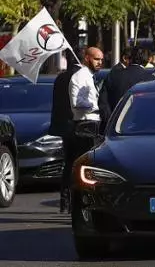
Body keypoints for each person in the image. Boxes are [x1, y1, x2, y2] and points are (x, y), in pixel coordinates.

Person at [66, 47, 104, 206]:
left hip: (92, 124)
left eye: (101, 60)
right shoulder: (80, 76)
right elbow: (76, 103)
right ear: (87, 58)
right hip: (85, 124)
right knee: (86, 165)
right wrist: (95, 106)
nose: (100, 63)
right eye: (96, 59)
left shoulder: (89, 76)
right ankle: (81, 201)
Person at [49, 51, 80, 214]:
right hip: (78, 125)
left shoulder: (60, 78)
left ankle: (64, 199)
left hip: (64, 127)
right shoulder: (80, 77)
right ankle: (75, 198)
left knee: (68, 163)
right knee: (80, 163)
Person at [103, 46, 153, 112]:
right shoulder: (153, 81)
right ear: (148, 59)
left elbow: (103, 102)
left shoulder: (113, 76)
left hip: (117, 120)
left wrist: (110, 120)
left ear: (130, 58)